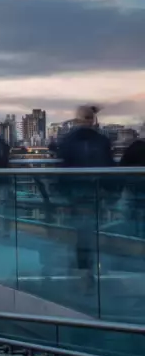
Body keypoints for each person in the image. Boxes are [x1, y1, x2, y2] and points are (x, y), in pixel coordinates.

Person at [57, 105, 115, 288]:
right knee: (91, 231)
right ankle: (88, 269)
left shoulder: (68, 140)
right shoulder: (102, 141)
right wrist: (110, 192)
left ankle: (83, 270)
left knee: (81, 233)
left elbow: (62, 170)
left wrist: (62, 196)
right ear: (92, 120)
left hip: (76, 194)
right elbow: (109, 167)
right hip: (95, 192)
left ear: (77, 120)